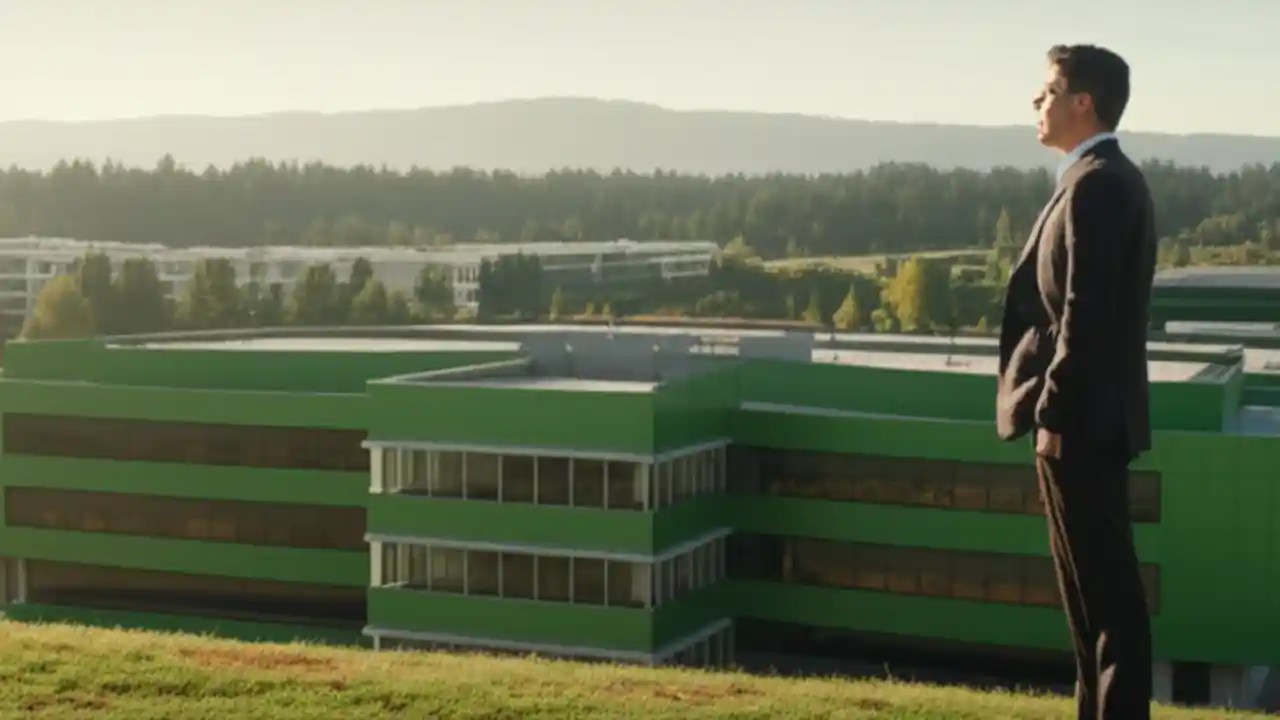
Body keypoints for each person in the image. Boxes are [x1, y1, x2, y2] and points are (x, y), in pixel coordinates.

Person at [996, 44, 1156, 720]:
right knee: (1089, 609)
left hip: (1080, 427)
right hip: (1081, 425)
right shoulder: (1091, 178)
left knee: (1108, 606)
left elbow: (1085, 319)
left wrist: (1052, 416)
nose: (1038, 102)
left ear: (1083, 102)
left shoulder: (1099, 185)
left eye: (1049, 90)